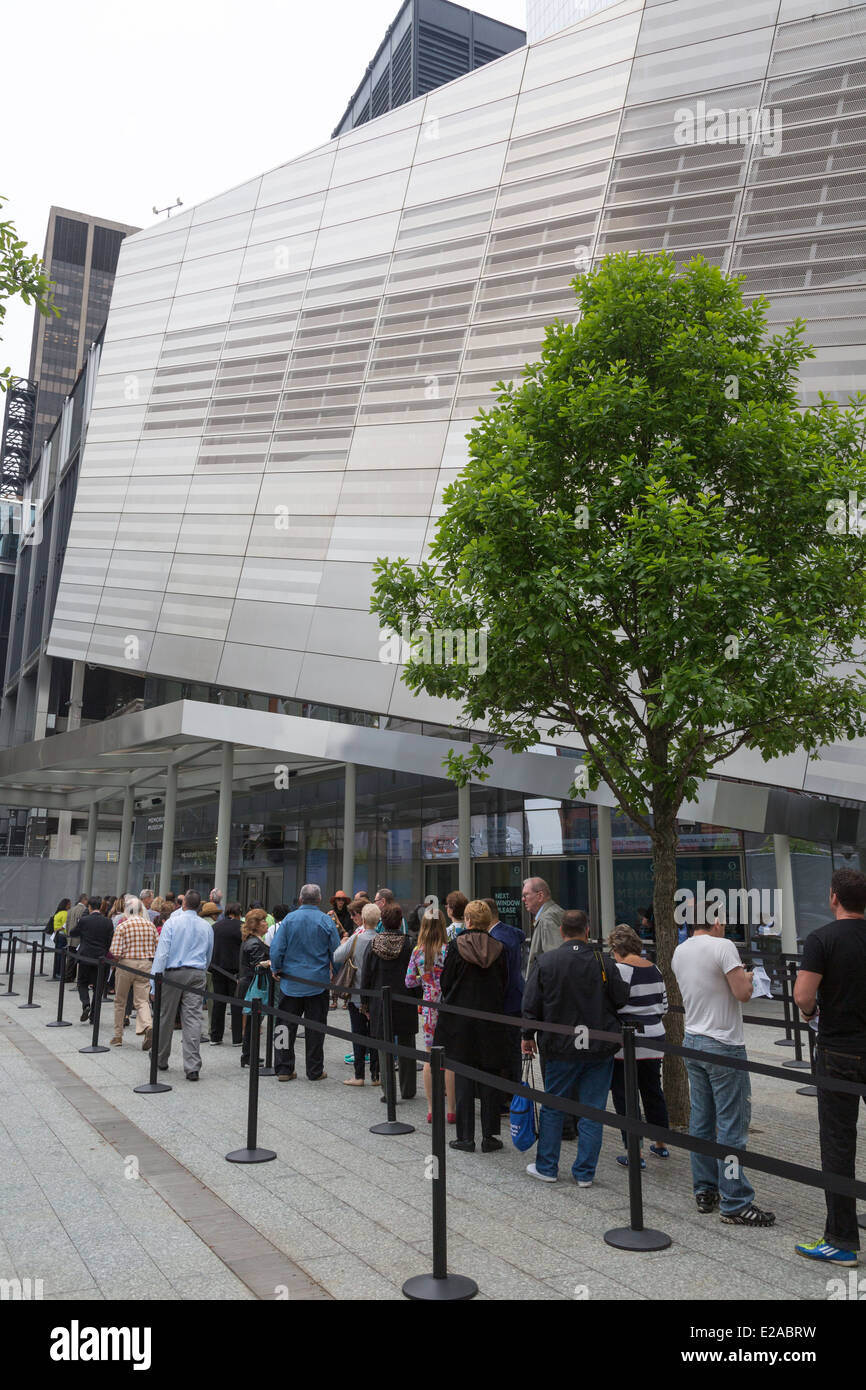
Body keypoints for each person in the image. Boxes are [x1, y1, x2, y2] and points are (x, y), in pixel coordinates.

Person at [672, 911, 774, 1226]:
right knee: (732, 1124)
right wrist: (746, 975)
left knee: (701, 1121)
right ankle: (735, 1200)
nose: (725, 924)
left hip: (693, 1039)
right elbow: (742, 994)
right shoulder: (723, 946)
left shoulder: (680, 950)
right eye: (722, 919)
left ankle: (705, 1190)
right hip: (724, 1043)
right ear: (714, 922)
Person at [522, 909, 628, 1186]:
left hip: (559, 1045)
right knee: (593, 1110)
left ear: (561, 932)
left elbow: (531, 1002)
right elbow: (620, 997)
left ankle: (547, 1166)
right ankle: (584, 1173)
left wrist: (527, 1034)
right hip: (598, 1045)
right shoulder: (602, 960)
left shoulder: (547, 961)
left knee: (554, 1106)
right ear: (588, 930)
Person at [794, 868, 866, 1265]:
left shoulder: (822, 939)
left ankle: (841, 1241)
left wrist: (811, 1012)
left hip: (839, 1050)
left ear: (834, 898)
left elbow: (804, 994)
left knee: (839, 1143)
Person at [433, 900, 506, 1152]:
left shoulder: (456, 946)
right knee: (489, 1076)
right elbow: (504, 985)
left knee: (463, 1075)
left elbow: (446, 982)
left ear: (469, 921)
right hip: (491, 1021)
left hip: (459, 1020)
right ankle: (490, 1136)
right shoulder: (499, 948)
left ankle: (465, 1136)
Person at [608, 923, 670, 1167]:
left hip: (628, 1040)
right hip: (655, 1036)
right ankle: (661, 1143)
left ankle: (635, 1152)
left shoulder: (621, 969)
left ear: (617, 948)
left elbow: (614, 1004)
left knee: (625, 1094)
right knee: (653, 1089)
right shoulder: (655, 968)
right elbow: (663, 1006)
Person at [270, 885, 340, 1082]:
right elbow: (336, 952)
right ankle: (315, 1070)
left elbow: (276, 949)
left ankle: (284, 1068)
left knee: (284, 1026)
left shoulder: (288, 920)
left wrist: (276, 968)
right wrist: (337, 972)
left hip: (290, 982)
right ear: (319, 900)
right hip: (317, 983)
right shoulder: (326, 920)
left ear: (300, 899)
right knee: (316, 1028)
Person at [150, 889, 213, 1081]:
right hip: (196, 972)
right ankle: (192, 1066)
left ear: (183, 903)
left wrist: (154, 983)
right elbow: (208, 954)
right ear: (199, 905)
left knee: (165, 1016)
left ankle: (160, 1058)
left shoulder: (172, 923)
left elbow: (162, 954)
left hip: (173, 972)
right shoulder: (206, 926)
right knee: (193, 1018)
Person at [362, 903, 418, 1102]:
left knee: (384, 1047)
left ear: (382, 922)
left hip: (380, 1002)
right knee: (407, 1045)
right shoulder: (410, 944)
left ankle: (389, 1092)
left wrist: (365, 1003)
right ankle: (408, 1088)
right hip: (405, 1000)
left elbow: (366, 977)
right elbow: (415, 974)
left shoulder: (374, 944)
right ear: (400, 920)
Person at [406, 904, 456, 1121]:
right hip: (448, 1005)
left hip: (428, 1006)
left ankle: (431, 1109)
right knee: (450, 1058)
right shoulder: (449, 949)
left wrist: (424, 980)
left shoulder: (418, 951)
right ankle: (452, 1109)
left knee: (429, 1057)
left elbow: (408, 981)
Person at [334, 900, 380, 1087]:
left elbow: (337, 956)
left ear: (363, 919)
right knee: (375, 1035)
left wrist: (343, 942)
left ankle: (359, 1075)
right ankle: (376, 1075)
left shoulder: (356, 938)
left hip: (356, 994)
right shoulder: (380, 939)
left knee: (358, 1033)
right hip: (375, 995)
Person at [107, 898, 159, 1049]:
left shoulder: (123, 926)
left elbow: (115, 952)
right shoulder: (150, 926)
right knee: (142, 1001)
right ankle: (148, 1026)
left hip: (126, 964)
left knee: (120, 1000)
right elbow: (158, 947)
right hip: (145, 965)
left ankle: (118, 1036)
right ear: (141, 911)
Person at [485, 897, 525, 1090]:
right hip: (517, 996)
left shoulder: (496, 939)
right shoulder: (511, 932)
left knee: (508, 1050)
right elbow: (521, 934)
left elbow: (503, 976)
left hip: (506, 1002)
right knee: (513, 1048)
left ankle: (510, 1094)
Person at [69, 897, 114, 1022]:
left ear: (89, 907)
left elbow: (73, 932)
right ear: (100, 907)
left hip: (85, 957)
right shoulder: (108, 922)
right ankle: (94, 1016)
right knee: (98, 988)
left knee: (82, 983)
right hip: (101, 958)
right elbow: (110, 941)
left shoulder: (84, 920)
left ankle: (86, 1004)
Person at [238, 908, 270, 1068]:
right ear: (255, 924)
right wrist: (270, 963)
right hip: (252, 985)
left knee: (253, 1023)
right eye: (263, 921)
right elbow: (258, 965)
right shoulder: (254, 943)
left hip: (250, 984)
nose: (266, 923)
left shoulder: (253, 940)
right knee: (252, 1023)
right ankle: (249, 1056)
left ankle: (249, 1055)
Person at [209, 902, 244, 1047]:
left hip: (217, 968)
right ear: (238, 913)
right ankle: (237, 1038)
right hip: (235, 971)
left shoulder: (215, 927)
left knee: (219, 1003)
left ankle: (216, 1036)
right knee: (236, 1004)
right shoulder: (242, 927)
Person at [523, 877, 565, 972]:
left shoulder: (546, 919)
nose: (523, 899)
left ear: (540, 896)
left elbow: (555, 960)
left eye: (526, 895)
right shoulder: (555, 912)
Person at [47, 898, 71, 981]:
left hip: (57, 935)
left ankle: (56, 972)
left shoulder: (58, 913)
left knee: (58, 955)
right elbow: (66, 926)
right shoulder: (65, 913)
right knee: (61, 955)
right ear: (66, 905)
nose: (70, 906)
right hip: (62, 936)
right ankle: (60, 973)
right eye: (69, 904)